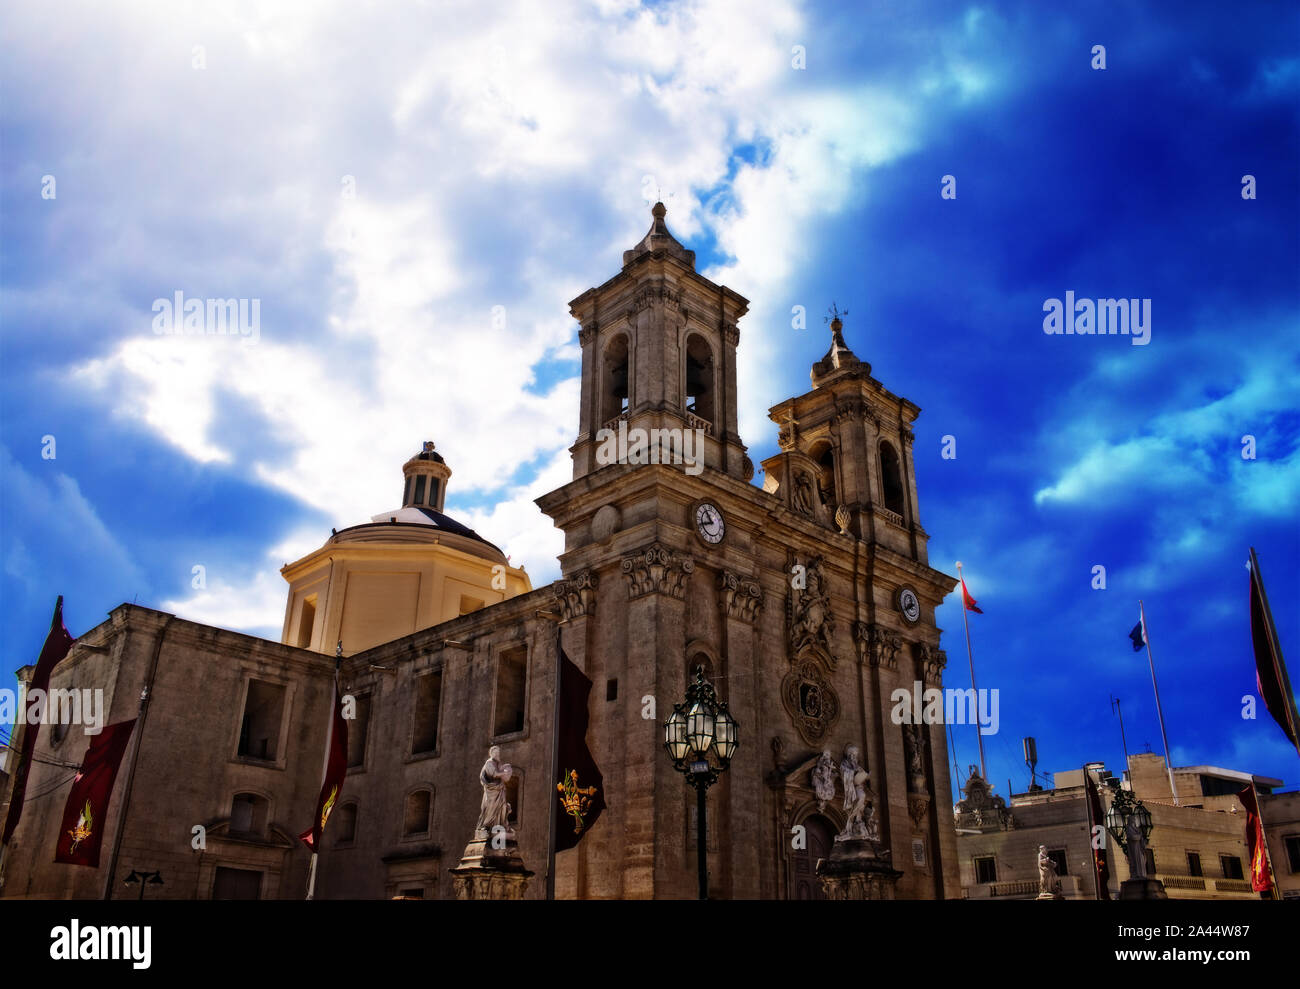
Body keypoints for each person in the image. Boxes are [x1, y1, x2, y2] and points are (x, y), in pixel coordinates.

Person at [475, 745, 513, 837]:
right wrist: (504, 773)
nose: (497, 754)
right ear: (491, 753)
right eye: (495, 753)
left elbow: (502, 773)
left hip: (500, 789)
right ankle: (486, 826)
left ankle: (499, 826)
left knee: (503, 807)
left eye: (498, 753)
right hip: (491, 790)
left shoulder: (498, 763)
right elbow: (494, 774)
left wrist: (506, 769)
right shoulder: (489, 763)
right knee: (490, 808)